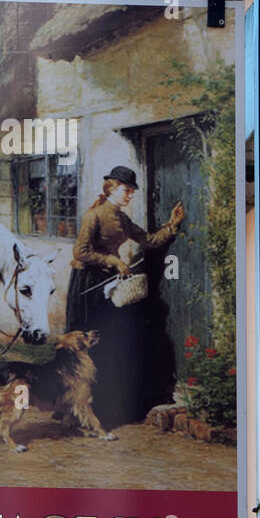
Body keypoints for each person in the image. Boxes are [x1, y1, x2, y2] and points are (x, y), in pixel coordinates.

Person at [65, 166, 184, 430]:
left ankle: (105, 408)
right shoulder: (94, 215)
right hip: (87, 285)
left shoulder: (121, 218)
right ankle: (77, 408)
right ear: (111, 188)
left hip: (108, 284)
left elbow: (149, 240)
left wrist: (172, 225)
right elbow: (80, 251)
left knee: (109, 342)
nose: (130, 195)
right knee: (86, 344)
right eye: (126, 190)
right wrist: (114, 261)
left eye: (132, 191)